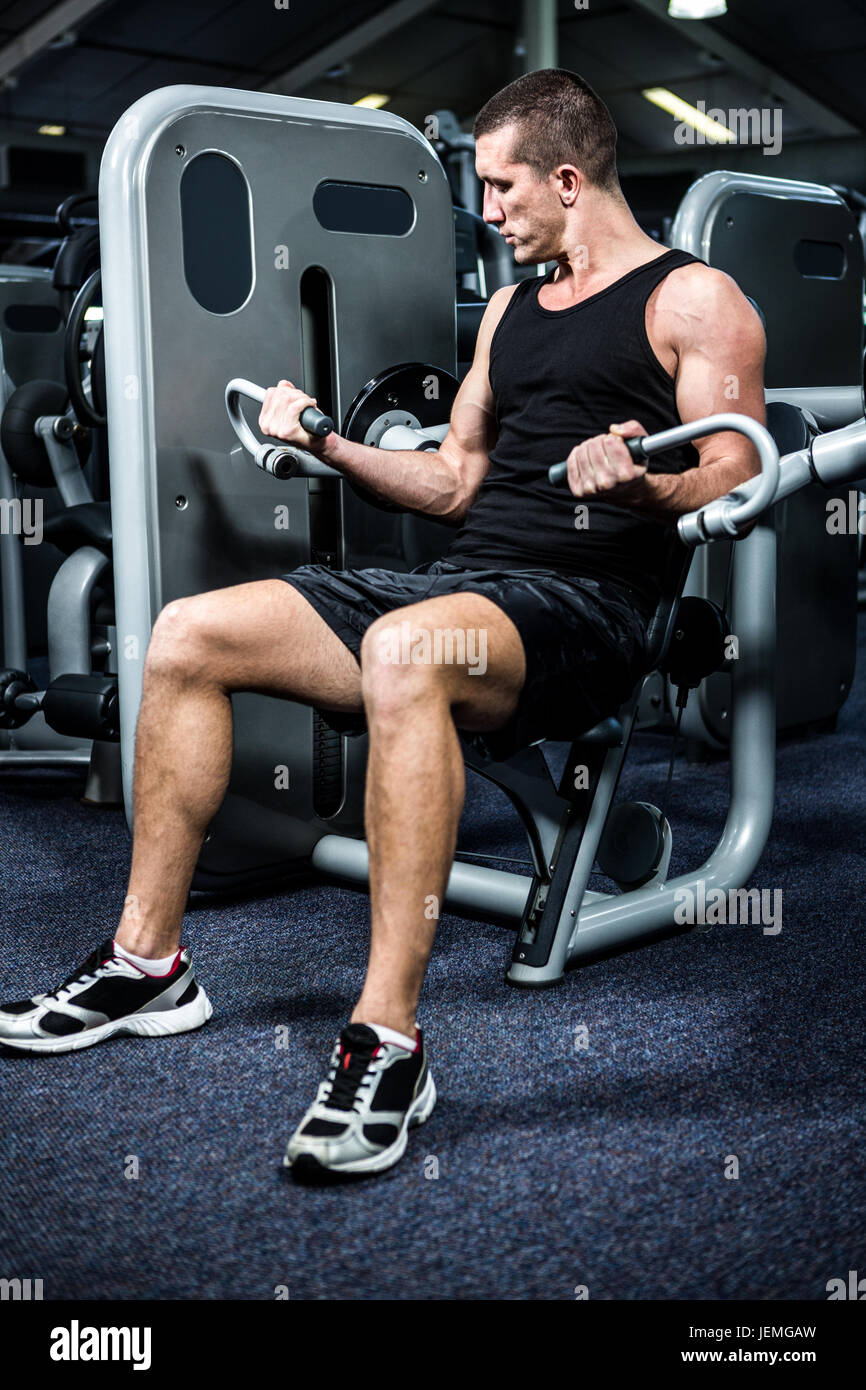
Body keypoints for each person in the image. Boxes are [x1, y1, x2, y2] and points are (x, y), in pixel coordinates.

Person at [0, 69, 765, 1179]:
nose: (488, 209)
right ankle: (148, 962)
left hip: (587, 608)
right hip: (461, 588)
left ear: (565, 178)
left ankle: (388, 1040)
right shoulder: (509, 311)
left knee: (409, 650)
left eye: (501, 189)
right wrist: (326, 442)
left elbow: (735, 465)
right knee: (186, 634)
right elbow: (454, 481)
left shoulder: (690, 300)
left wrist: (640, 485)